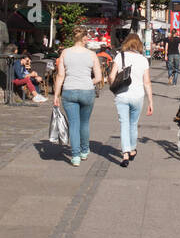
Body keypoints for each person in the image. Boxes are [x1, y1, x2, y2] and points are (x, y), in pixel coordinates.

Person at [53, 30, 103, 167]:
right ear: (84, 39)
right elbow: (99, 78)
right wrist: (87, 82)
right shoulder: (92, 55)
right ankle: (84, 151)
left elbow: (60, 76)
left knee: (74, 124)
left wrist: (56, 94)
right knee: (85, 123)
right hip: (87, 92)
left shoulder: (65, 53)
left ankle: (75, 156)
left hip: (69, 91)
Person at [109, 34, 153, 167]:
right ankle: (132, 149)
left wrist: (115, 88)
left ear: (126, 43)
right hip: (137, 96)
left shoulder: (119, 56)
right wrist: (151, 101)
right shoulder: (143, 60)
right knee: (133, 124)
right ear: (139, 44)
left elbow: (111, 76)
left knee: (124, 124)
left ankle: (125, 154)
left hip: (122, 95)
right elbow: (147, 82)